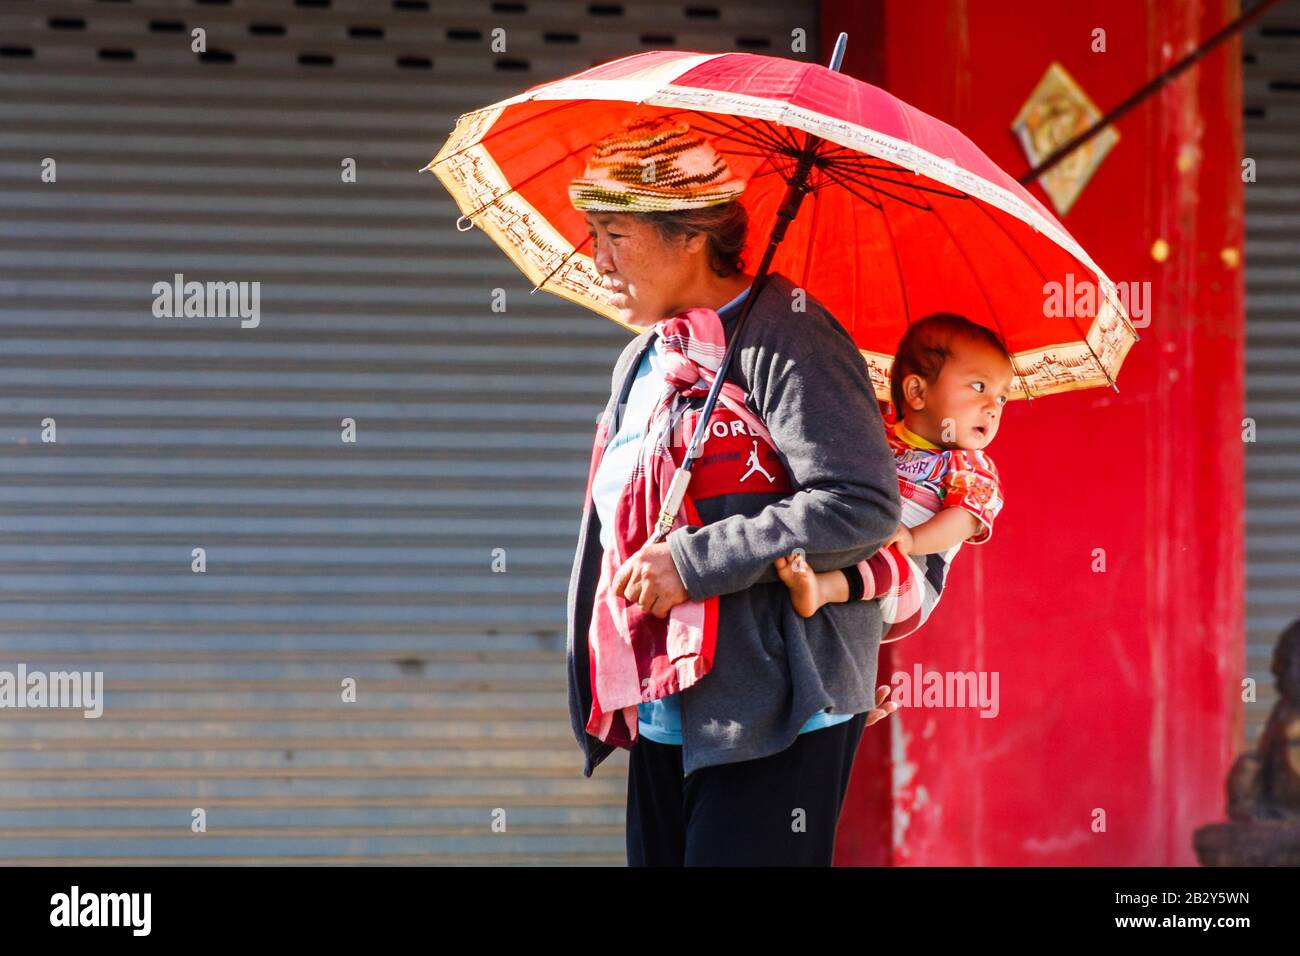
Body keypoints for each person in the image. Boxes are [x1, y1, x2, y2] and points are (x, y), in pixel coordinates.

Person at [563, 115, 903, 866]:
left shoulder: (791, 335)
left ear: (691, 236)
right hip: (666, 701)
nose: (597, 259)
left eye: (615, 235)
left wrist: (694, 561)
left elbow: (862, 501)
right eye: (592, 234)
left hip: (776, 702)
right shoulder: (645, 359)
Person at [774, 314, 1012, 642]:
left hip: (911, 586)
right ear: (916, 391)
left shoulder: (970, 466)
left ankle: (822, 589)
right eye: (979, 387)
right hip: (859, 541)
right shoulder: (877, 434)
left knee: (888, 561)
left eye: (1002, 397)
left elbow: (965, 519)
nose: (993, 407)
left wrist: (914, 539)